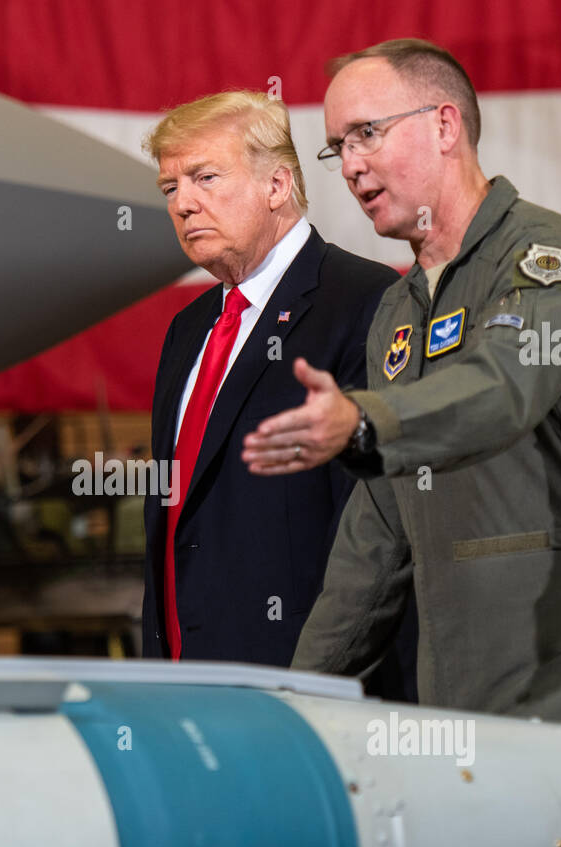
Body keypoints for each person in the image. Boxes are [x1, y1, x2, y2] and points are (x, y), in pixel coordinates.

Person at [243, 40, 561, 730]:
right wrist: (297, 704)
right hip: (459, 695)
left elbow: (503, 387)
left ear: (445, 126)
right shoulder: (397, 312)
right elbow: (375, 542)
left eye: (367, 134)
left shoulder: (545, 260)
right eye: (337, 147)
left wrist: (364, 421)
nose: (350, 165)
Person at [140, 90, 414, 679]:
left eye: (205, 177)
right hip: (185, 682)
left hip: (306, 685)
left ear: (277, 185)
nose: (184, 203)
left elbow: (377, 525)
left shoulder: (368, 302)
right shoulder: (187, 331)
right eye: (170, 188)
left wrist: (326, 678)